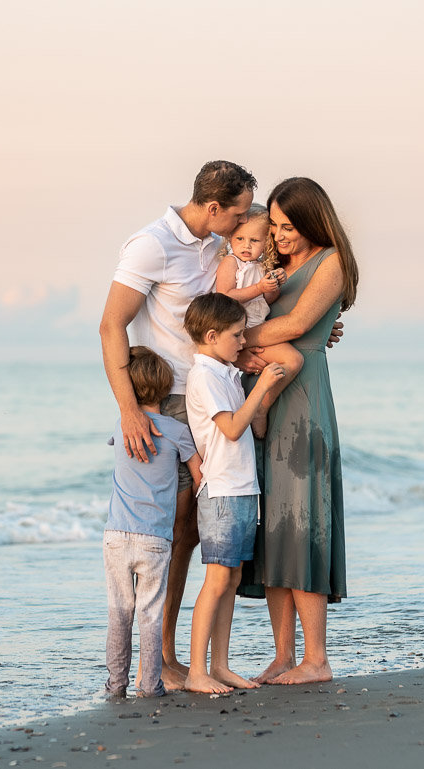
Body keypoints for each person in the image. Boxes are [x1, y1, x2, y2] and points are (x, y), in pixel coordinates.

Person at [99, 160, 257, 690]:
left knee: (190, 531)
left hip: (211, 391)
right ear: (213, 207)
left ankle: (168, 652)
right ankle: (159, 658)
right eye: (236, 214)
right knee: (166, 528)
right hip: (166, 402)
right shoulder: (150, 245)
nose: (241, 224)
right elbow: (110, 326)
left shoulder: (217, 244)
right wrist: (128, 410)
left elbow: (233, 306)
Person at [236, 177, 359, 686]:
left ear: (312, 220)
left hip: (303, 396)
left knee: (304, 521)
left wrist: (230, 338)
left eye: (289, 227)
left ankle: (317, 659)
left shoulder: (331, 261)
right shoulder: (271, 266)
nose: (280, 235)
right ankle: (284, 656)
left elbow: (296, 324)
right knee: (274, 530)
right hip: (260, 392)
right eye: (276, 226)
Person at [181, 293, 285, 695]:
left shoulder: (225, 373)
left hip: (242, 487)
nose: (243, 342)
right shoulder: (205, 376)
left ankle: (220, 665)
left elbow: (253, 428)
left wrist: (256, 388)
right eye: (237, 335)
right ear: (212, 335)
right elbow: (230, 428)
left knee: (233, 577)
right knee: (216, 579)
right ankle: (195, 671)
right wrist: (261, 389)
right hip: (221, 491)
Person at [103, 346, 204, 698]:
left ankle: (115, 686)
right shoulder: (177, 432)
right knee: (149, 613)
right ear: (165, 388)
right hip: (156, 540)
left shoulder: (121, 426)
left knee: (119, 612)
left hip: (116, 536)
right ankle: (150, 684)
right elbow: (198, 477)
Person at [214, 204, 303, 436]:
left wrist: (274, 283)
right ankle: (260, 407)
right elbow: (225, 298)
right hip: (240, 331)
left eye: (254, 240)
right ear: (230, 238)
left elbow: (269, 300)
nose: (246, 245)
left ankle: (258, 405)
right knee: (293, 360)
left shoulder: (262, 267)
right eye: (239, 238)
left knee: (291, 361)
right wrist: (258, 287)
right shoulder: (230, 263)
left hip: (258, 329)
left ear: (267, 243)